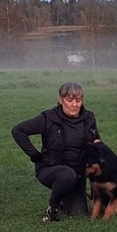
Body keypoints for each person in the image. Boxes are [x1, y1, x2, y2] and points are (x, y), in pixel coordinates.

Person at [11, 82, 100, 222]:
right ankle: (52, 209)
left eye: (78, 100)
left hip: (78, 173)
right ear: (60, 100)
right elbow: (18, 130)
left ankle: (68, 197)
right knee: (67, 175)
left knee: (78, 213)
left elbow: (96, 142)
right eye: (70, 100)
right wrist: (34, 155)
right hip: (50, 167)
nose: (75, 105)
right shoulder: (48, 117)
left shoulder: (89, 118)